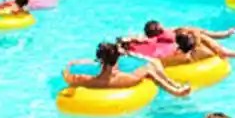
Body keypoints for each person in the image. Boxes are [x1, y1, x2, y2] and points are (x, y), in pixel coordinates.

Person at [61, 41, 191, 97]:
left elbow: (66, 76)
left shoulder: (87, 80)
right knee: (151, 66)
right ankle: (174, 88)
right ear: (117, 58)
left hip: (100, 80)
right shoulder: (128, 78)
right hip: (119, 81)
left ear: (100, 60)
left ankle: (175, 88)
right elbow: (150, 72)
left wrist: (69, 65)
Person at [121, 20, 235, 61]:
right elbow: (142, 40)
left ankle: (226, 35)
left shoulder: (168, 33)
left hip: (186, 43)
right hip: (189, 46)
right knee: (201, 34)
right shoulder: (156, 40)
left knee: (198, 32)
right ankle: (227, 37)